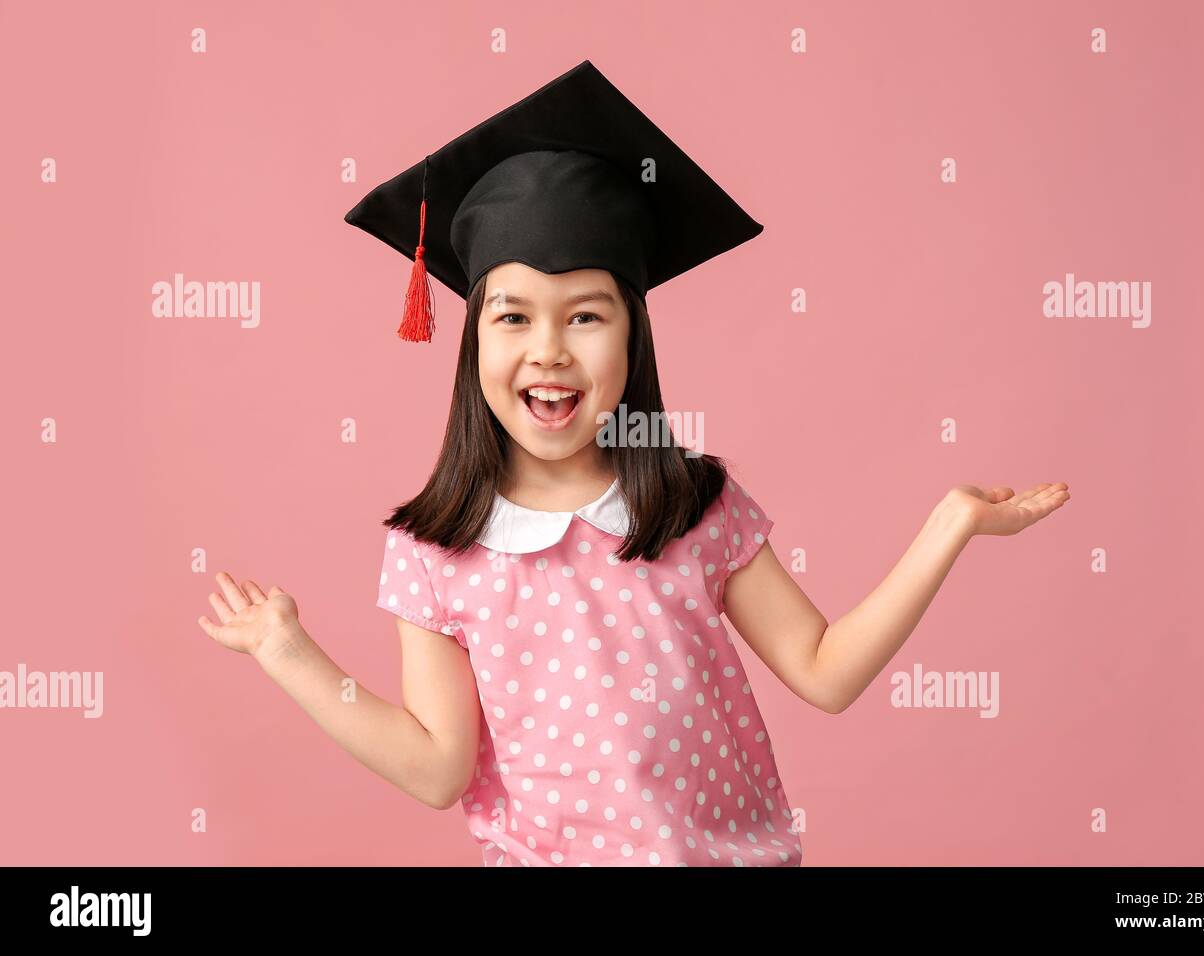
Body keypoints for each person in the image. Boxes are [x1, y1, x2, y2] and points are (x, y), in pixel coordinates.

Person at [196, 61, 1070, 867]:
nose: (548, 351)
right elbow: (436, 769)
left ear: (633, 333)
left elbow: (826, 671)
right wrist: (290, 652)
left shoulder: (694, 505)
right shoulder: (434, 552)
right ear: (471, 340)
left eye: (585, 316)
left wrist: (949, 526)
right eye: (512, 318)